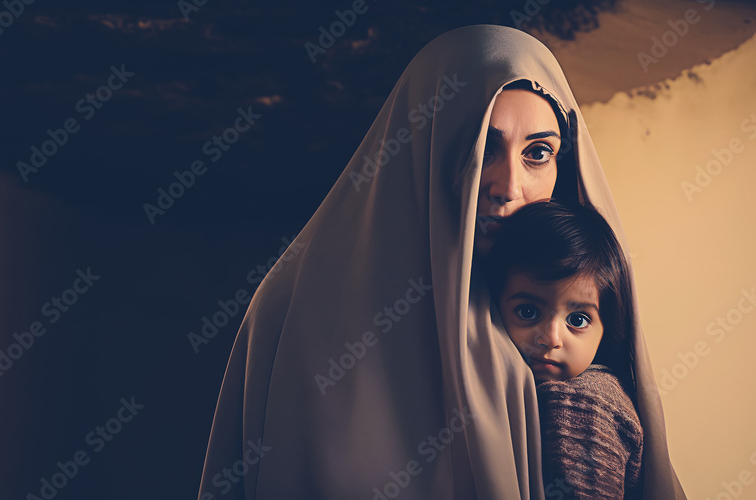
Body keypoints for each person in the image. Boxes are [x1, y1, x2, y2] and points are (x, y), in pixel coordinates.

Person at [198, 24, 686, 500]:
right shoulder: (293, 311)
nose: (508, 187)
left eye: (538, 153)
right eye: (480, 147)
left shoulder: (567, 345)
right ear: (421, 145)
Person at [484, 200, 644, 499]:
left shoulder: (582, 403)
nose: (551, 338)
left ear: (607, 328)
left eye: (578, 320)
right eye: (528, 312)